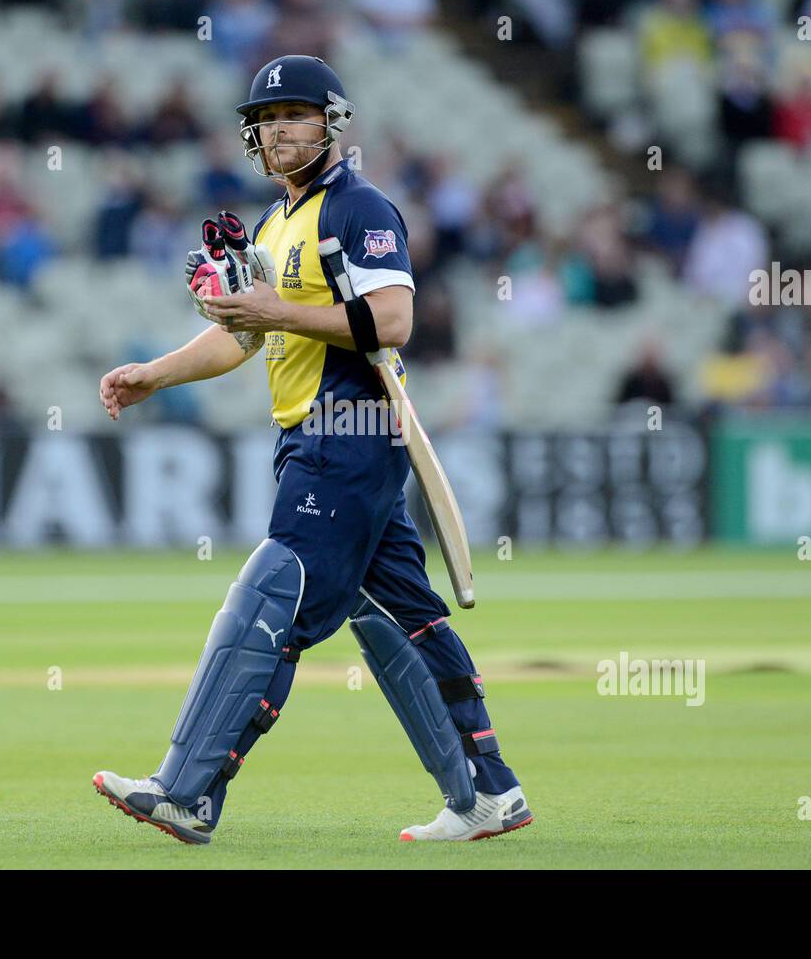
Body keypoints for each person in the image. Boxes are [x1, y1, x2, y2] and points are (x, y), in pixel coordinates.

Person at [95, 55, 530, 845]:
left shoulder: (356, 208)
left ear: (330, 124)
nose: (278, 129)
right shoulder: (273, 223)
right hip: (319, 438)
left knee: (272, 595)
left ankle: (186, 790)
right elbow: (242, 338)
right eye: (266, 118)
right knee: (403, 622)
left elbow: (391, 320)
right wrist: (154, 376)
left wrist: (274, 308)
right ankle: (486, 794)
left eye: (295, 114)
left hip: (347, 433)